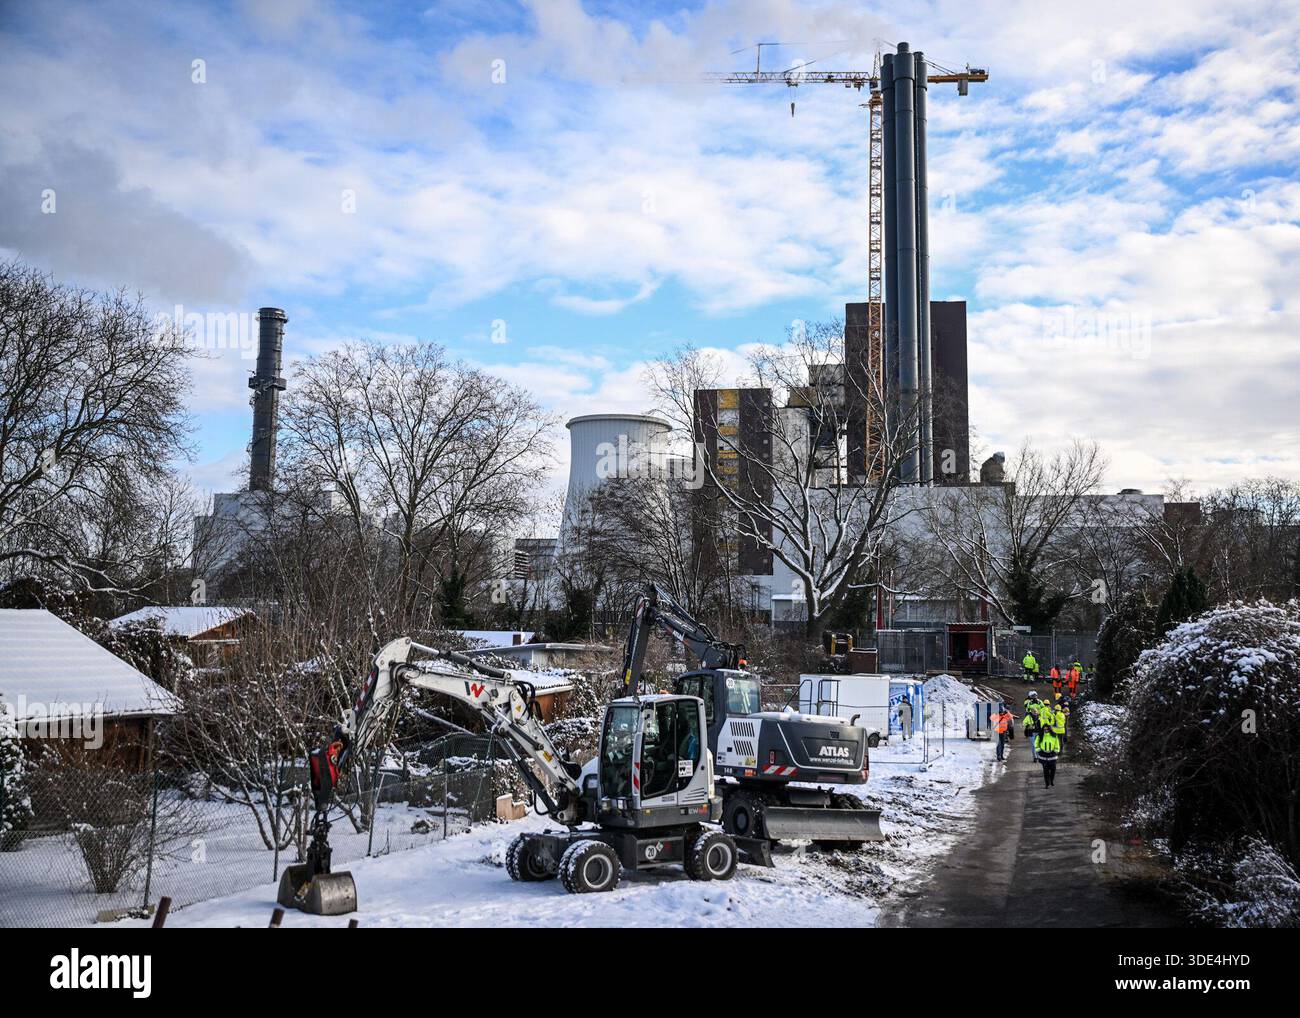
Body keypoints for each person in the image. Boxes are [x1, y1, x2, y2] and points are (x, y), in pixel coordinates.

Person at [1022, 692, 1041, 761]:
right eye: (1033, 711)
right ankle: (1035, 757)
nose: (1035, 713)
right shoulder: (1028, 717)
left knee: (1037, 744)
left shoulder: (1039, 717)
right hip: (1031, 732)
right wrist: (1027, 725)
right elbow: (1023, 723)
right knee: (1033, 745)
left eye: (1036, 712)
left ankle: (1038, 756)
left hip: (1037, 732)